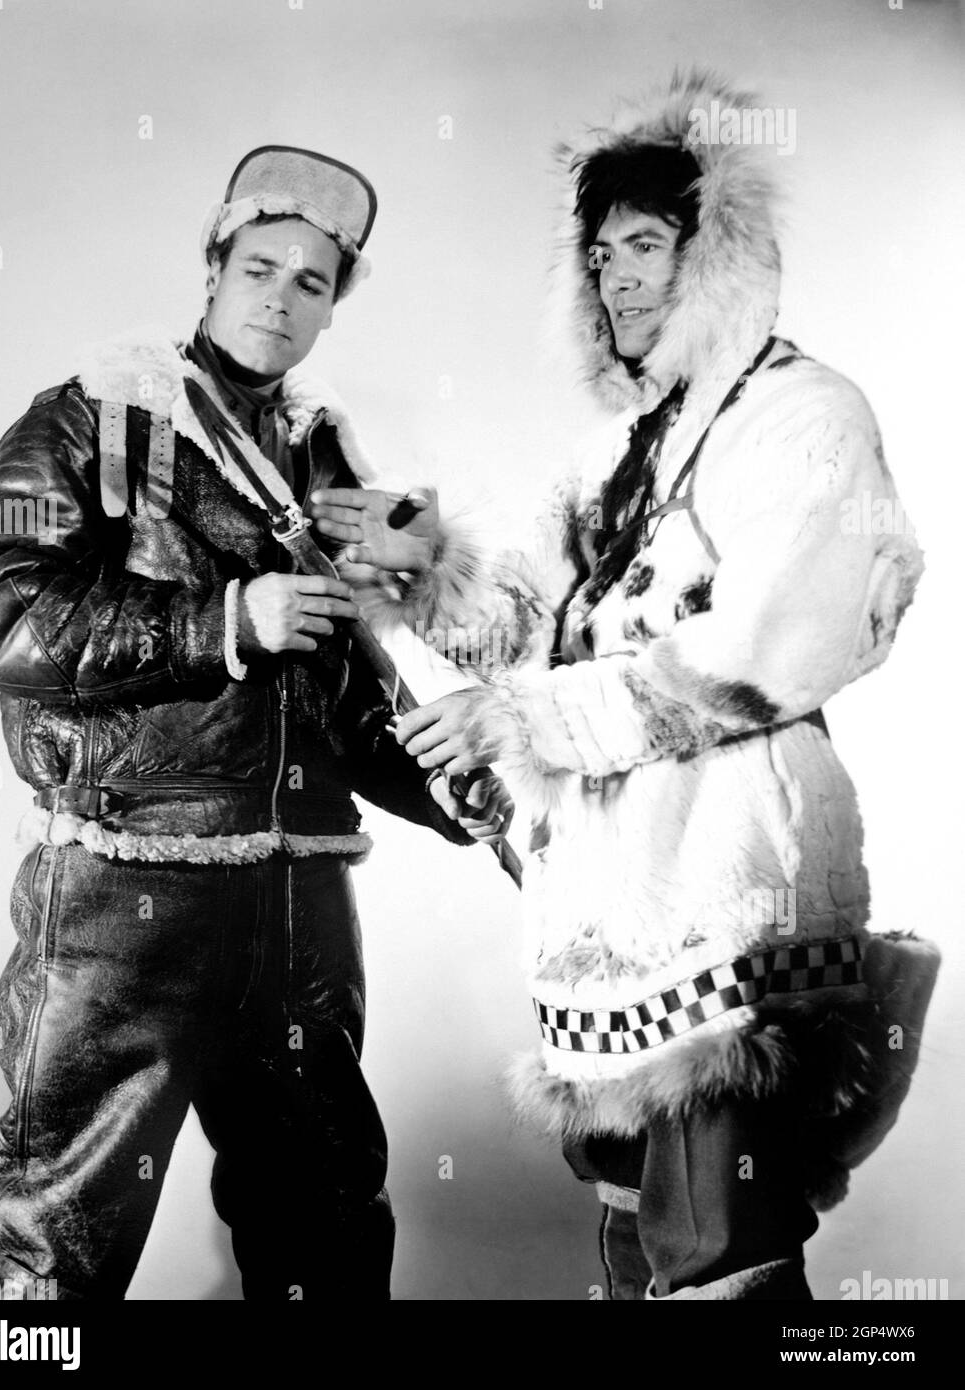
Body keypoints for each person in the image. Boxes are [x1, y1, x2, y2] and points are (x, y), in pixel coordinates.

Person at [309, 74, 940, 1300]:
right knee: (625, 1208)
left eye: (647, 246)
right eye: (599, 258)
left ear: (719, 254)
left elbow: (764, 653)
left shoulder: (806, 415)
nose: (619, 280)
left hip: (730, 874)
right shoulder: (612, 451)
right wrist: (425, 569)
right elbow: (535, 636)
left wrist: (533, 715)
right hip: (606, 896)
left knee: (715, 1229)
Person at [0, 144, 510, 1301]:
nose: (280, 297)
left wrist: (447, 780)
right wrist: (222, 618)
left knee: (328, 1223)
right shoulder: (90, 417)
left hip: (301, 897)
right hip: (124, 896)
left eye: (313, 281)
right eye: (260, 266)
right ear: (212, 266)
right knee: (52, 1237)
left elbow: (342, 690)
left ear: (332, 306)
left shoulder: (324, 457)